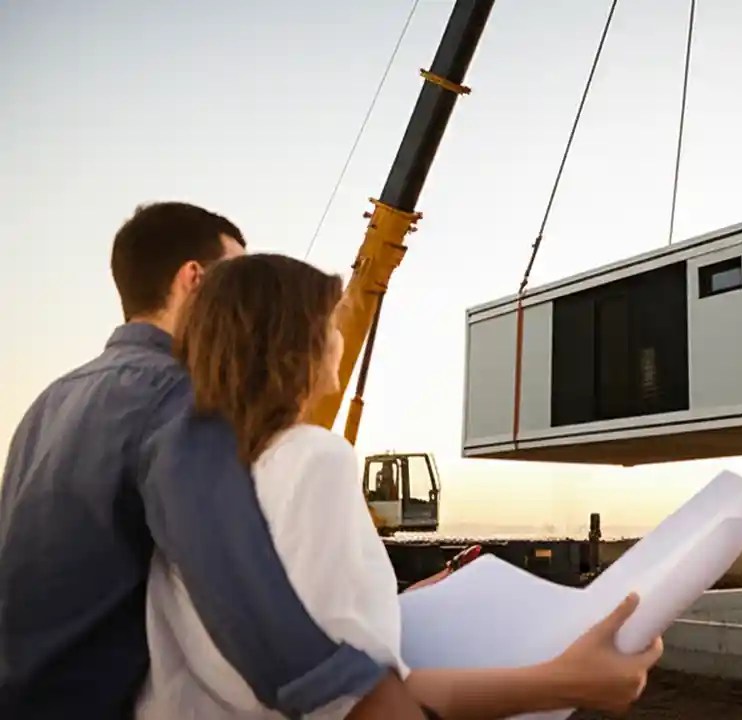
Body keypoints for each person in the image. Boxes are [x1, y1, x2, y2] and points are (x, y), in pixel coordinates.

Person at [138, 252, 662, 718]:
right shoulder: (313, 459)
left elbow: (270, 622)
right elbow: (354, 699)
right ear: (295, 346)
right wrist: (569, 683)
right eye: (330, 323)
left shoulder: (177, 466)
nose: (341, 339)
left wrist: (394, 603)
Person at [0, 203, 420, 718]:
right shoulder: (177, 401)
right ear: (194, 280)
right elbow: (259, 621)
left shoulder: (53, 399)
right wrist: (371, 692)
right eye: (234, 276)